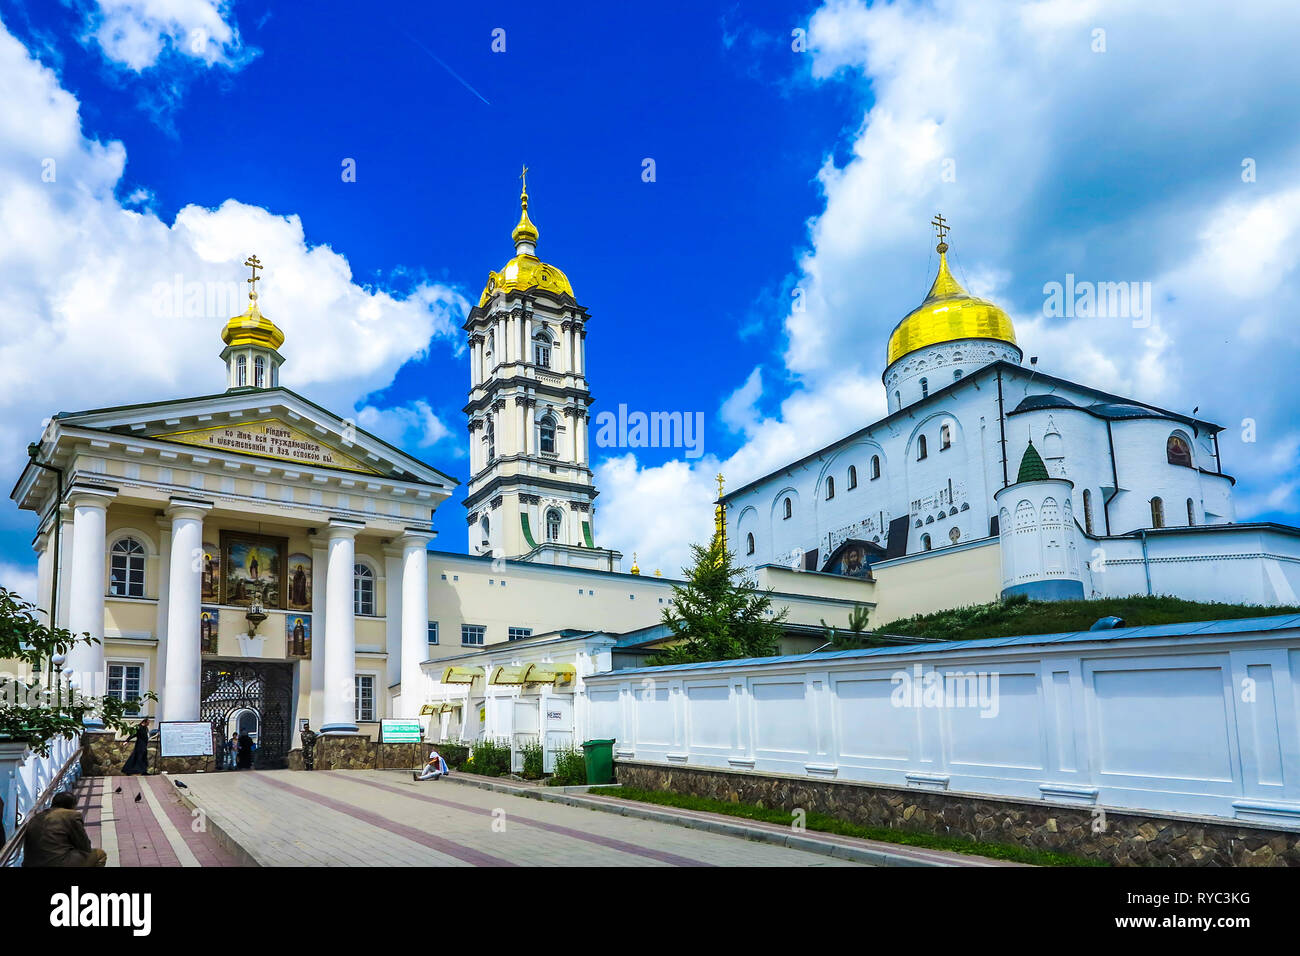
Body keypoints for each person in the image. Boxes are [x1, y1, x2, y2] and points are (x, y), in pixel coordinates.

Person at [22, 792, 107, 867]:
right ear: (72, 805)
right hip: (58, 863)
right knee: (100, 854)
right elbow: (85, 846)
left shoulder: (36, 817)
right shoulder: (71, 815)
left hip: (30, 864)